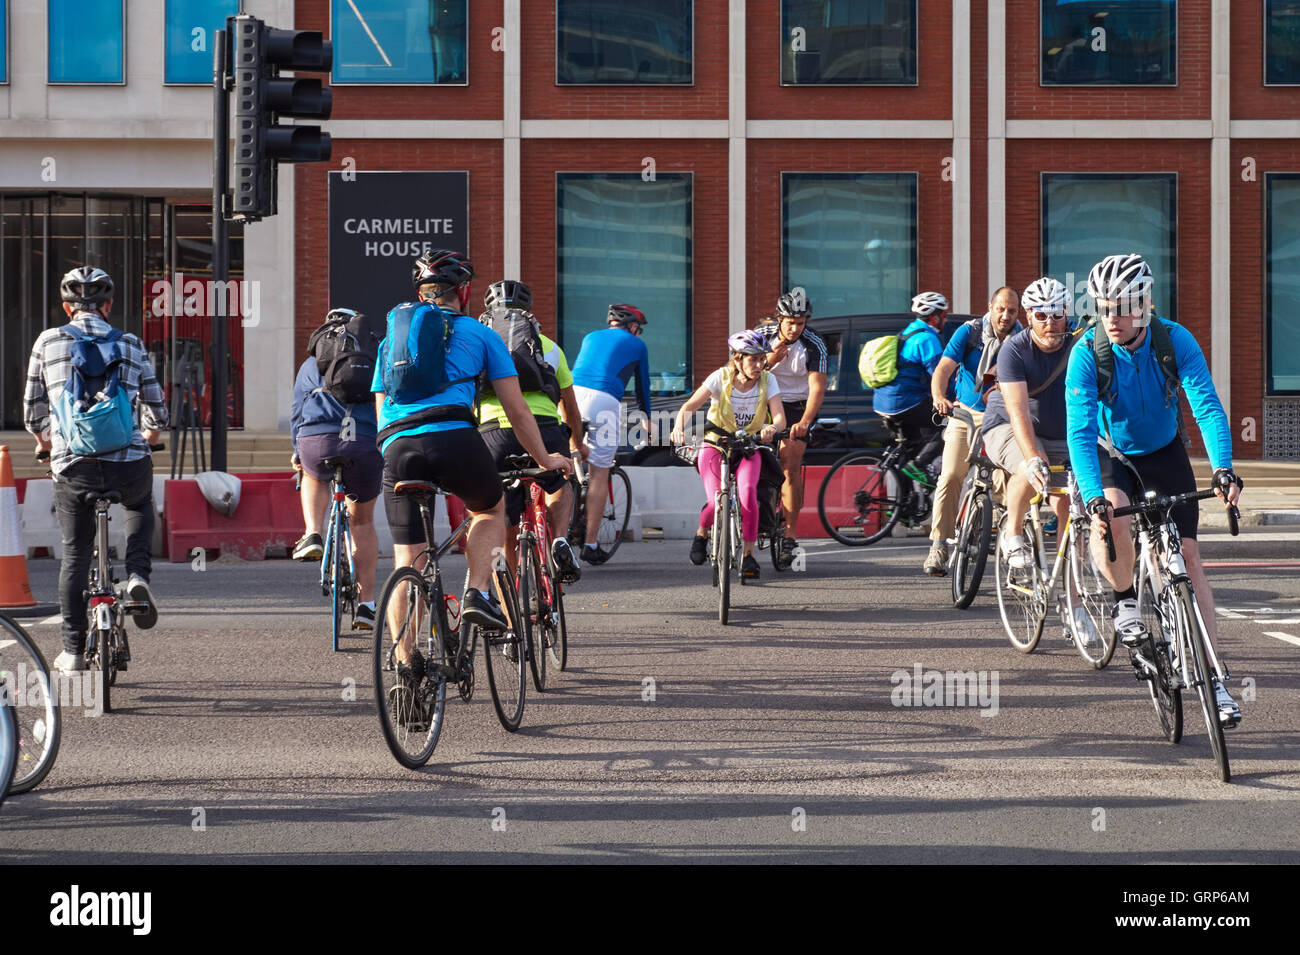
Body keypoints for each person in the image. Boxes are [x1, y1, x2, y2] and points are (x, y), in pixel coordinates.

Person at [374, 251, 572, 679]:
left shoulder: (391, 338)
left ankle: (406, 670)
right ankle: (477, 594)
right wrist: (546, 459)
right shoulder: (481, 335)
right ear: (463, 292)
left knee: (409, 561)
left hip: (396, 446)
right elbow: (518, 411)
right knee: (489, 508)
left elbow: (380, 410)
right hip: (453, 437)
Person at [1065, 253, 1243, 726]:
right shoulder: (1087, 353)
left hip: (1164, 451)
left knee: (1187, 555)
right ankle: (1126, 602)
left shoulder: (1174, 341)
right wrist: (1093, 496)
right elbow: (1079, 432)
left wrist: (1223, 469)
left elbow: (1206, 407)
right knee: (1113, 513)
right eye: (1104, 307)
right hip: (1110, 453)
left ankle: (1215, 679)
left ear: (1144, 304)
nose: (1111, 318)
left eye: (1121, 307)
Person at [24, 266, 167, 673]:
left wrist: (45, 444)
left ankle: (71, 651)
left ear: (66, 306)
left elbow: (33, 411)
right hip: (127, 462)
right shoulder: (130, 342)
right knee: (140, 505)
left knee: (74, 555)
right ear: (109, 305)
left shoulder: (48, 341)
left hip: (74, 466)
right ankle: (137, 575)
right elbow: (157, 412)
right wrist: (149, 437)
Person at [980, 278, 1098, 643]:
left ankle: (1074, 601)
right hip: (1008, 426)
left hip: (1061, 432)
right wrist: (1032, 458)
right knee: (1031, 466)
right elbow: (1017, 412)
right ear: (1029, 315)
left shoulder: (1082, 345)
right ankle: (1012, 534)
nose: (1050, 323)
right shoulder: (1013, 350)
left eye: (1057, 314)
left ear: (1068, 314)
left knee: (1072, 503)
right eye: (1042, 315)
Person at [475, 279, 586, 582]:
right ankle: (560, 539)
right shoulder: (549, 347)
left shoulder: (477, 344)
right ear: (528, 313)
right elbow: (570, 407)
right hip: (545, 427)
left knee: (503, 522)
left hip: (494, 432)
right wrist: (577, 444)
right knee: (559, 483)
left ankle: (512, 608)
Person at [289, 308, 382, 630]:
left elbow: (298, 410)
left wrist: (296, 451)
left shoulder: (309, 363)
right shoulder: (374, 358)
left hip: (318, 438)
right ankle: (367, 604)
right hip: (363, 439)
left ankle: (313, 532)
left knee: (311, 472)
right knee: (363, 521)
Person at [671, 330, 786, 580]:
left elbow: (779, 418)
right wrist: (678, 428)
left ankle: (748, 555)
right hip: (716, 445)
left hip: (749, 446)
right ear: (737, 359)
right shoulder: (719, 377)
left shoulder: (768, 380)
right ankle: (702, 533)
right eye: (752, 359)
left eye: (761, 358)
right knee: (716, 501)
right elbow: (689, 406)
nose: (759, 364)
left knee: (748, 496)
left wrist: (771, 429)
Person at [925, 286, 1022, 575]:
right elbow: (942, 369)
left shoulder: (1022, 340)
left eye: (1012, 311)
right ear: (990, 306)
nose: (1005, 315)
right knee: (951, 476)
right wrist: (939, 397)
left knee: (1011, 480)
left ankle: (1011, 538)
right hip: (965, 414)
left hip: (1002, 418)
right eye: (1000, 308)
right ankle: (939, 545)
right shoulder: (970, 332)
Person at [569, 303, 652, 564]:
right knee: (599, 473)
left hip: (571, 395)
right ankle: (590, 544)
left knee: (565, 462)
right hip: (604, 402)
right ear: (633, 326)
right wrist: (646, 417)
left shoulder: (590, 336)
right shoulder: (637, 345)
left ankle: (557, 535)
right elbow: (643, 386)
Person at [754, 290, 829, 567]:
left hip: (798, 406)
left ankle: (790, 535)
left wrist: (805, 422)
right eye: (790, 322)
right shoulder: (762, 336)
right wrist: (770, 361)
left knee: (790, 465)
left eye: (801, 323)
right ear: (779, 319)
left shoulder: (814, 344)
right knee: (754, 457)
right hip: (765, 402)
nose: (796, 328)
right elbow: (741, 374)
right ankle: (757, 514)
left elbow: (817, 389)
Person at [871, 291, 949, 478]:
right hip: (904, 402)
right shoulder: (927, 339)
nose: (945, 320)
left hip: (883, 402)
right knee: (947, 426)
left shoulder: (908, 332)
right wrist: (952, 399)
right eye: (944, 315)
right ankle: (919, 465)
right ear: (933, 317)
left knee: (909, 451)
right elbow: (939, 375)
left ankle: (902, 505)